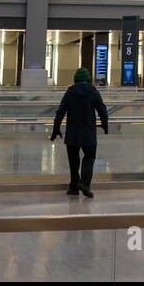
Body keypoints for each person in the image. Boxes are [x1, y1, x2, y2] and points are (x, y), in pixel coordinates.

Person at [50, 67, 110, 198]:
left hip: (72, 133)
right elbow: (102, 110)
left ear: (75, 79)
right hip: (88, 132)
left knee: (74, 161)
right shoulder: (93, 92)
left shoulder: (70, 92)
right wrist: (105, 125)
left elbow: (60, 111)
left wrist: (56, 129)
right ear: (88, 79)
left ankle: (73, 187)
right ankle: (84, 183)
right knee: (89, 157)